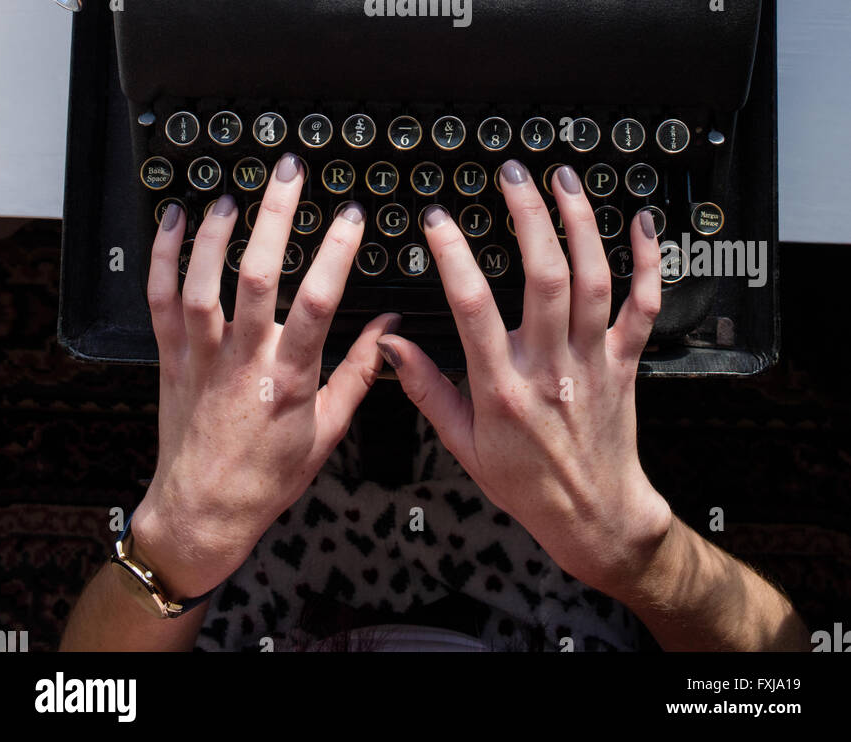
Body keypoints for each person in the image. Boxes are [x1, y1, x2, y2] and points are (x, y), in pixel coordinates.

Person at [60, 155, 810, 652]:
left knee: (295, 354)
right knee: (514, 379)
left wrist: (180, 544)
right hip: (545, 597)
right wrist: (638, 551)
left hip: (276, 595)